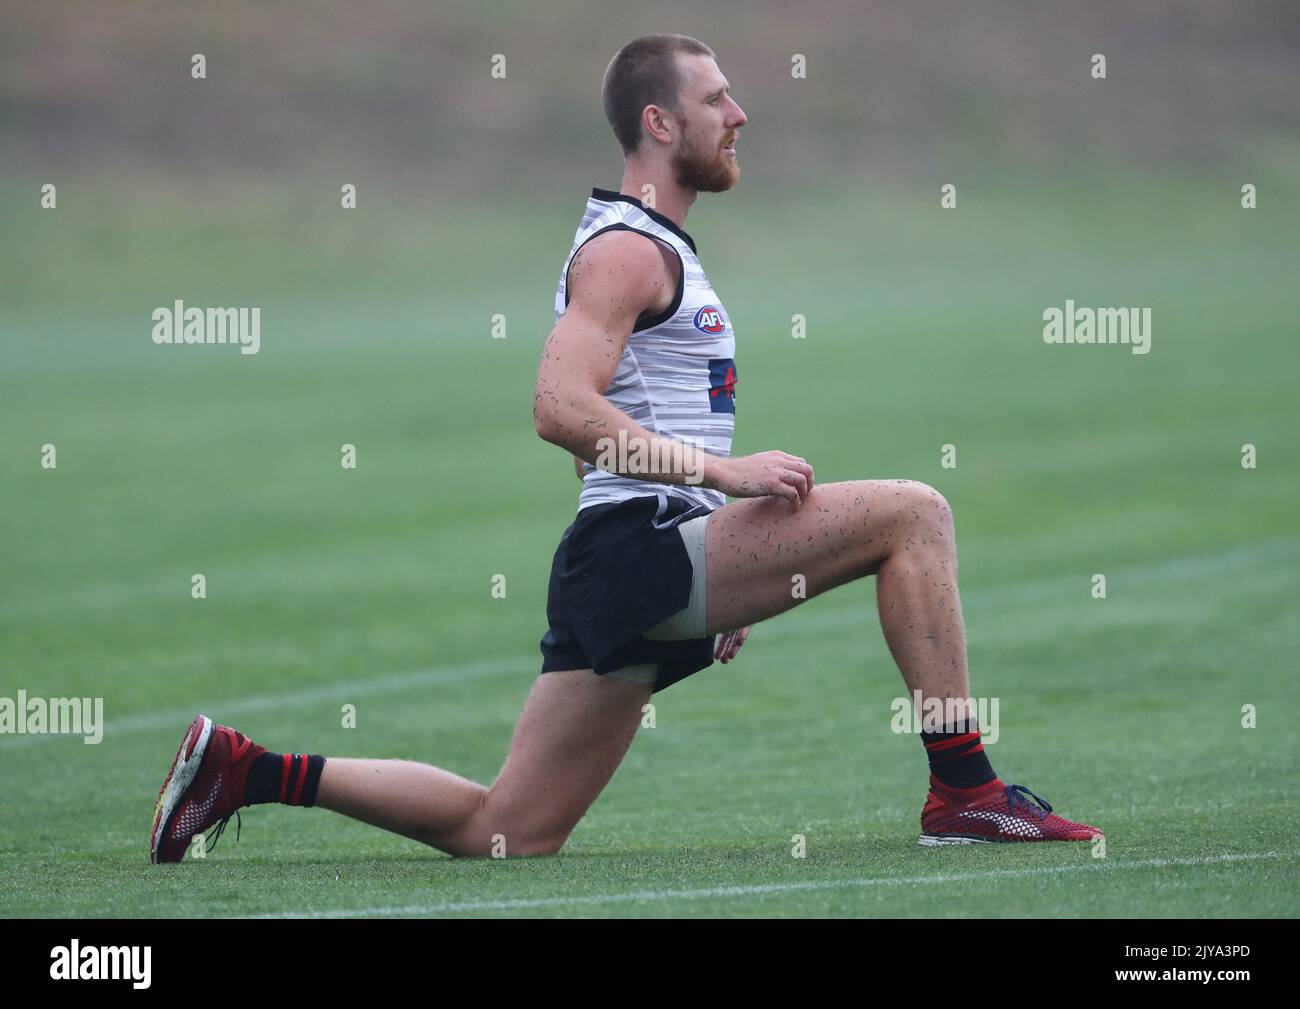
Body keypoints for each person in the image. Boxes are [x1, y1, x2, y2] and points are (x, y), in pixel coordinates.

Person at [150, 34, 1100, 865]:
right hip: (636, 549)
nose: (740, 113)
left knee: (508, 830)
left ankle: (244, 770)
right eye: (716, 97)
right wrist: (721, 483)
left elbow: (594, 434)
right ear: (658, 121)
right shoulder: (627, 250)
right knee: (914, 514)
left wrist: (714, 567)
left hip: (636, 555)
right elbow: (558, 406)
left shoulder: (646, 245)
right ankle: (966, 794)